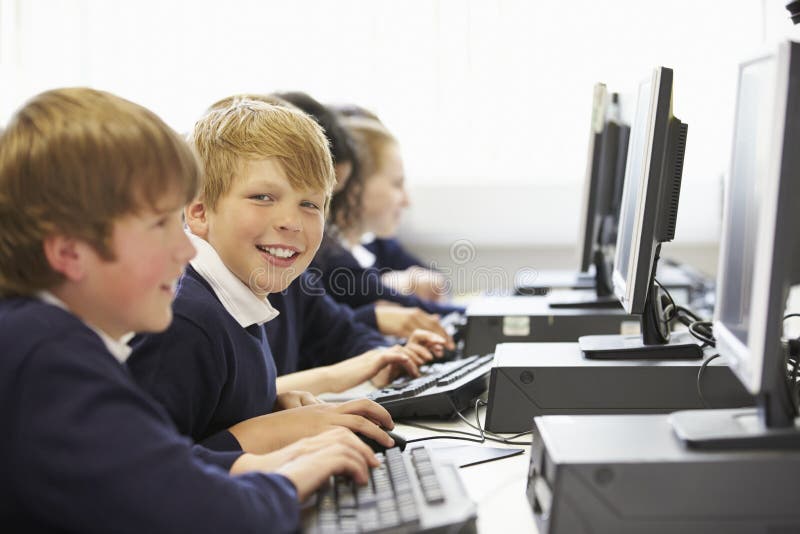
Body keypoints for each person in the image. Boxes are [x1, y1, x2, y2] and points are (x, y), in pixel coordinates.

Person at [0, 87, 378, 532]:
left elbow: (154, 468)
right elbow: (199, 514)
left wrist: (263, 456)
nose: (185, 248)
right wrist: (288, 478)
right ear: (69, 252)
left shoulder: (37, 335)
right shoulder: (47, 356)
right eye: (160, 224)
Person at [129, 97, 415, 454]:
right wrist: (270, 432)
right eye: (263, 197)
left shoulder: (239, 302)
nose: (291, 222)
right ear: (199, 212)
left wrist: (269, 410)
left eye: (310, 204)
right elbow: (150, 472)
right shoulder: (185, 319)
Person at [313, 116, 465, 333]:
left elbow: (437, 286)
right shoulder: (333, 260)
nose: (407, 201)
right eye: (397, 183)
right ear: (354, 186)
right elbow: (423, 310)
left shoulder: (376, 243)